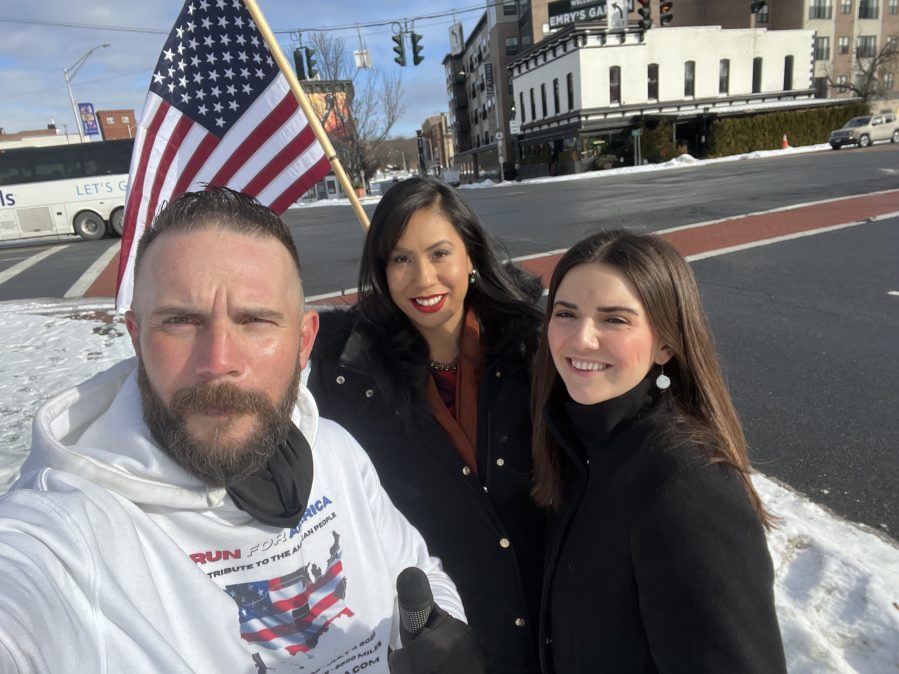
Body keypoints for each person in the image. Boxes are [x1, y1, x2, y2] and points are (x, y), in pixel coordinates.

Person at [0, 188, 476, 673]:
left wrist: (443, 629)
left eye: (256, 320)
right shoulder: (68, 529)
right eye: (181, 321)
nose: (219, 362)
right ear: (136, 337)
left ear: (304, 340)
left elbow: (416, 575)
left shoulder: (336, 452)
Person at [308, 177, 544, 673]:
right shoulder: (348, 378)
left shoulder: (534, 351)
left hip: (551, 634)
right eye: (400, 259)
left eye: (439, 253)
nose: (423, 278)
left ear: (471, 255)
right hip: (445, 645)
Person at [531, 230, 787, 674]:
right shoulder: (578, 446)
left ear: (665, 344)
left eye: (614, 320)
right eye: (566, 313)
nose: (581, 339)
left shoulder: (688, 490)